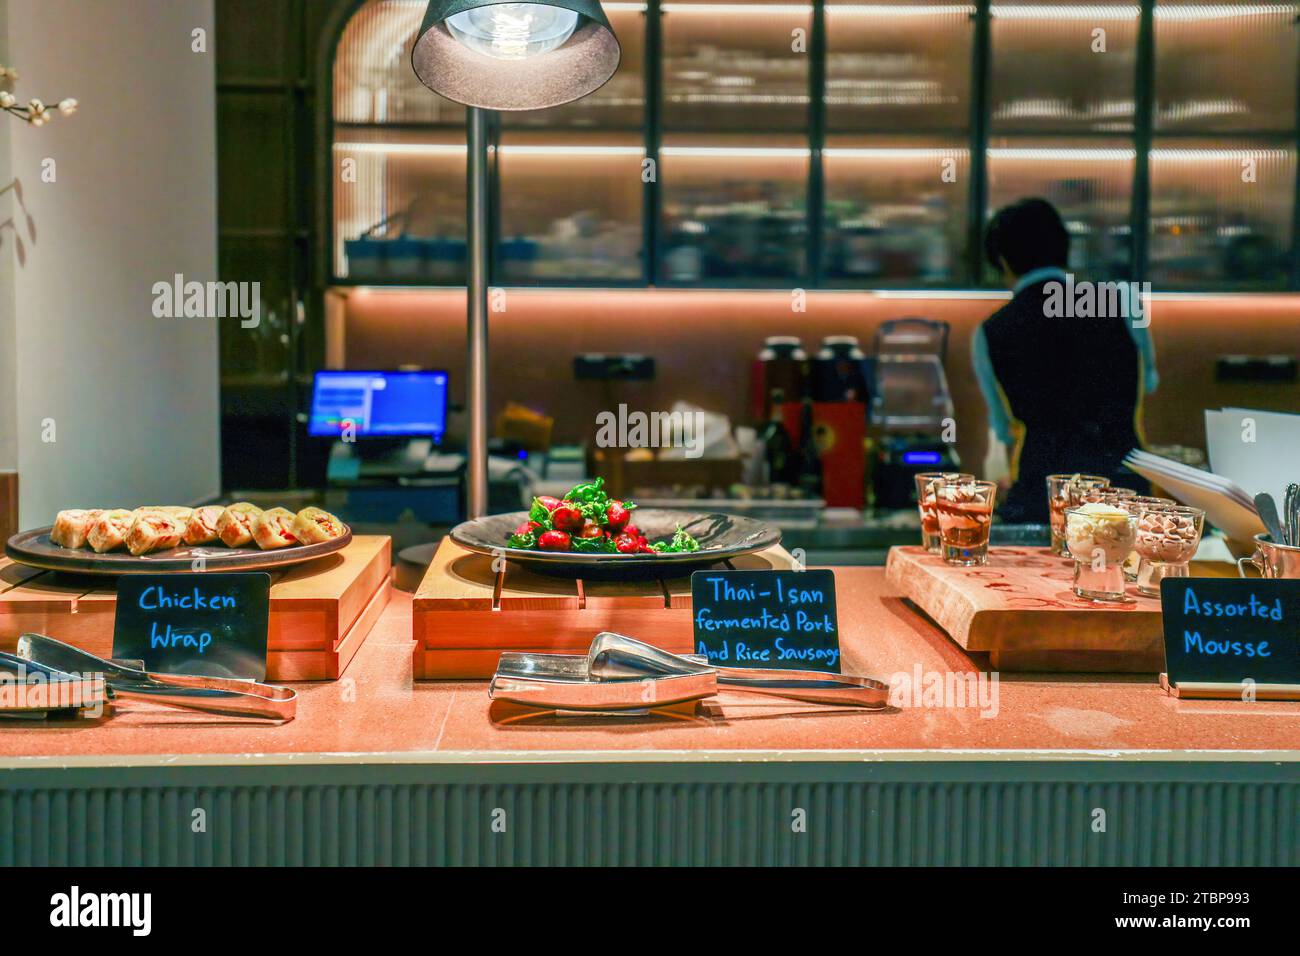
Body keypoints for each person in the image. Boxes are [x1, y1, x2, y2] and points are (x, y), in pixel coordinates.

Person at [972, 198, 1158, 523]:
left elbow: (1004, 430)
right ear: (1066, 248)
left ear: (1002, 261)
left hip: (1042, 499)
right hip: (1123, 495)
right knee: (1124, 573)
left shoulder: (989, 332)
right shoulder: (1122, 300)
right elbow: (1149, 383)